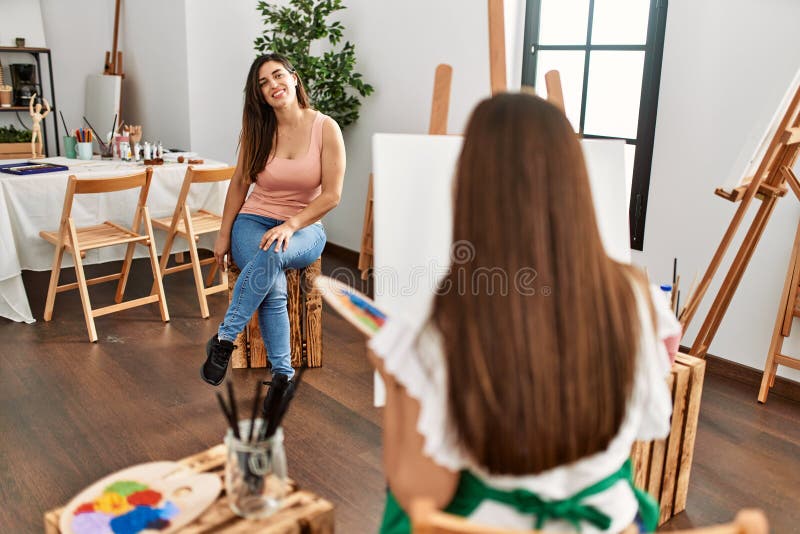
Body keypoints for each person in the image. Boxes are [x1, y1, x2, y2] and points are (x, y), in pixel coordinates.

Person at [367, 93, 681, 533]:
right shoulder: (639, 298)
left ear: (469, 188)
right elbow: (642, 422)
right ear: (576, 184)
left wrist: (398, 381)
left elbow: (422, 496)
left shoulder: (442, 323)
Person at [201, 53, 345, 387]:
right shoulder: (258, 129)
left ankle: (224, 339)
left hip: (305, 227)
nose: (273, 86)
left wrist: (291, 225)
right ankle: (282, 376)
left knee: (277, 252)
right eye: (263, 83)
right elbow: (240, 183)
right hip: (253, 221)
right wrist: (223, 235)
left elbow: (332, 195)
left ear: (294, 78)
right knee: (273, 286)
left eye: (278, 76)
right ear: (260, 95)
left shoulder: (325, 128)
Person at [29, 92, 50, 158]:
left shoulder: (41, 115)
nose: (38, 108)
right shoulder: (33, 114)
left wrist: (46, 102)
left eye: (40, 107)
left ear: (40, 108)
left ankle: (39, 153)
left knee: (41, 141)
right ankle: (33, 154)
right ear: (36, 108)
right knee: (33, 140)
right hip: (35, 127)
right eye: (37, 107)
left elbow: (48, 110)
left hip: (38, 127)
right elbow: (30, 105)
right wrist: (32, 98)